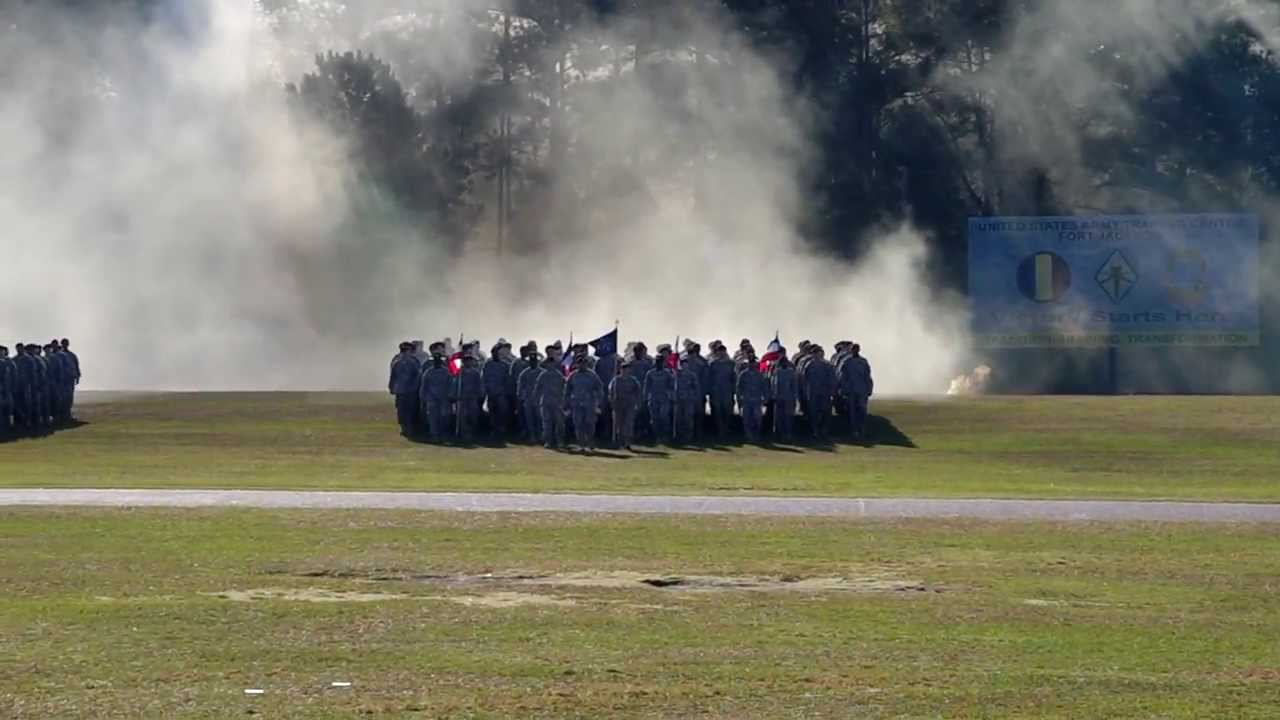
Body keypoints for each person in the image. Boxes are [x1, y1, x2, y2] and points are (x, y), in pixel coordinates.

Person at [566, 356, 605, 451]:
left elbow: (600, 388)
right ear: (577, 364)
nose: (582, 365)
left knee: (590, 424)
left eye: (584, 363)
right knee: (578, 424)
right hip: (576, 404)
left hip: (590, 404)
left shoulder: (592, 375)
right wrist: (567, 404)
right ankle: (581, 444)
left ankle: (590, 443)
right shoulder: (572, 375)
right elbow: (567, 390)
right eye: (580, 363)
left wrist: (598, 403)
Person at [534, 343, 568, 449]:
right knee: (547, 422)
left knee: (559, 423)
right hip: (545, 401)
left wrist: (565, 401)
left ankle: (560, 441)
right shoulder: (542, 375)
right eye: (549, 364)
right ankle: (548, 441)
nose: (550, 365)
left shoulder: (559, 375)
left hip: (557, 401)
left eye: (552, 363)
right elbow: (537, 388)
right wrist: (537, 400)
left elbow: (565, 387)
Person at [839, 343, 874, 439]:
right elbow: (843, 377)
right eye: (853, 349)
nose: (855, 351)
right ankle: (854, 430)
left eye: (856, 349)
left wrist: (869, 388)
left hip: (862, 390)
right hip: (851, 390)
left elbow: (868, 376)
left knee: (862, 410)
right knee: (852, 411)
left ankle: (862, 429)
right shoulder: (846, 362)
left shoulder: (863, 361)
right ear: (851, 350)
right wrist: (843, 389)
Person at [419, 346, 453, 442]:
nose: (437, 361)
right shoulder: (428, 372)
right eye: (436, 360)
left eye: (439, 360)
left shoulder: (446, 372)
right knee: (433, 418)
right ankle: (434, 435)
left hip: (444, 398)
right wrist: (423, 398)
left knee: (444, 418)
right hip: (432, 399)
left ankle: (443, 434)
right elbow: (424, 386)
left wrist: (451, 396)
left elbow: (450, 384)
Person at [802, 345, 836, 441]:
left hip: (824, 392)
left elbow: (833, 379)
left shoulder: (827, 365)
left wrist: (832, 391)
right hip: (813, 392)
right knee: (814, 413)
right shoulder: (808, 365)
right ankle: (815, 431)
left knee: (826, 413)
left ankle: (824, 430)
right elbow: (804, 379)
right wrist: (805, 392)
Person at [644, 344, 677, 444]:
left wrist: (672, 396)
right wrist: (645, 397)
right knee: (654, 419)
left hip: (664, 398)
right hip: (653, 398)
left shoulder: (667, 373)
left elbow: (672, 386)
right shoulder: (650, 373)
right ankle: (657, 436)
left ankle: (665, 436)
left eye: (660, 362)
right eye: (657, 361)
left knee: (664, 417)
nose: (658, 363)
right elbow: (646, 386)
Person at [388, 341, 422, 436]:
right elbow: (418, 376)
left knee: (404, 410)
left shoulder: (396, 360)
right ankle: (406, 428)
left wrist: (391, 387)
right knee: (406, 410)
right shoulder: (412, 361)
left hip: (403, 390)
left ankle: (406, 428)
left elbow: (392, 376)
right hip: (407, 390)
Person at [609, 360, 642, 450]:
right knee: (618, 424)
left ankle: (627, 442)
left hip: (629, 404)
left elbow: (638, 392)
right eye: (623, 369)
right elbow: (611, 392)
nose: (625, 371)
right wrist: (612, 402)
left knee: (628, 424)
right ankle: (619, 441)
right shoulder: (615, 380)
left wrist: (637, 403)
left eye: (627, 369)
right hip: (618, 404)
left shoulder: (633, 380)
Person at [706, 340, 736, 440]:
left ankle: (727, 431)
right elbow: (709, 377)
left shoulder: (731, 364)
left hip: (727, 391)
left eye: (723, 350)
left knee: (727, 412)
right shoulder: (713, 364)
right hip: (716, 392)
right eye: (719, 351)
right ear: (717, 352)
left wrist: (734, 390)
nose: (721, 352)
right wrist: (709, 391)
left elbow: (734, 377)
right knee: (717, 412)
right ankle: (720, 431)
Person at [483, 340, 514, 437]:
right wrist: (487, 390)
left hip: (501, 394)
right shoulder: (488, 364)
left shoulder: (505, 365)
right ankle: (494, 431)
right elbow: (484, 378)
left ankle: (502, 430)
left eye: (498, 352)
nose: (496, 354)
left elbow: (507, 380)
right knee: (492, 413)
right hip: (491, 393)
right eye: (494, 352)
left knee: (503, 412)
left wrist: (505, 392)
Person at [453, 354, 484, 442]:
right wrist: (454, 395)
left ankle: (472, 432)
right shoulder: (459, 372)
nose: (469, 362)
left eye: (471, 360)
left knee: (473, 416)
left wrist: (480, 393)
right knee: (462, 417)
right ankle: (463, 434)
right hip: (462, 397)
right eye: (467, 361)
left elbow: (479, 384)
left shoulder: (475, 373)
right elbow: (455, 384)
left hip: (472, 397)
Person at [735, 358, 768, 442]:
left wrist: (765, 397)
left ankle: (756, 435)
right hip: (746, 399)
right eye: (750, 363)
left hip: (757, 400)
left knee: (757, 419)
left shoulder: (759, 374)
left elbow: (764, 386)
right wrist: (739, 398)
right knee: (746, 419)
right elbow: (739, 387)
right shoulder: (743, 374)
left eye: (753, 363)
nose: (752, 365)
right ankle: (748, 435)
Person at [507, 342, 535, 439]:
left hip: (530, 393)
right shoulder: (516, 362)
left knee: (531, 414)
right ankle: (522, 430)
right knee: (520, 413)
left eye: (526, 351)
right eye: (523, 351)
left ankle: (531, 432)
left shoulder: (530, 362)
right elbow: (511, 377)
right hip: (518, 392)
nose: (525, 353)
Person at [517, 347, 545, 444]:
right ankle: (532, 436)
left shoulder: (542, 372)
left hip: (538, 400)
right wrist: (520, 397)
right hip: (528, 399)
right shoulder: (524, 373)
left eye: (534, 360)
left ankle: (541, 436)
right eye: (531, 361)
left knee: (539, 419)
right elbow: (520, 387)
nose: (533, 362)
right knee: (529, 419)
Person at [675, 353, 702, 443]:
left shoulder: (692, 375)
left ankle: (688, 436)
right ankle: (679, 436)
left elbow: (696, 387)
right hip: (678, 399)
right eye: (682, 364)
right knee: (679, 418)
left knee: (688, 418)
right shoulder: (677, 375)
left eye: (686, 364)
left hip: (689, 399)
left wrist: (695, 397)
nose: (684, 366)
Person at [771, 355, 799, 442]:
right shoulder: (776, 372)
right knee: (778, 418)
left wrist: (795, 397)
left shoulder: (791, 372)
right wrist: (774, 395)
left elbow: (794, 386)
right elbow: (773, 385)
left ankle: (787, 435)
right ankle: (778, 434)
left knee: (788, 417)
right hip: (779, 398)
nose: (784, 363)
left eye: (785, 362)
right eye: (782, 362)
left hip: (789, 398)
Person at [0, 346, 13, 436]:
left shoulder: (8, 362)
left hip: (6, 389)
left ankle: (7, 428)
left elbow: (12, 376)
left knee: (7, 409)